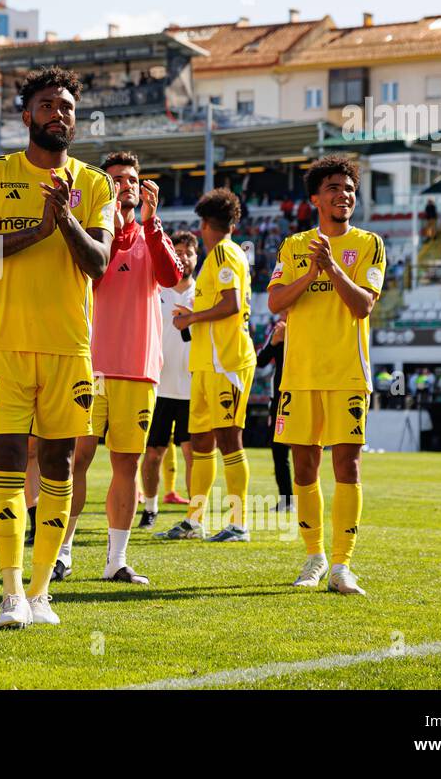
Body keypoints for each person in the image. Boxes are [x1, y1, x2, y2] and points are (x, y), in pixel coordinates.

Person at [0, 65, 114, 628]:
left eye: (67, 106)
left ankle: (42, 591)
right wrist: (41, 230)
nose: (59, 114)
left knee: (57, 462)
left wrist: (66, 221)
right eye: (48, 105)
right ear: (27, 115)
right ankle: (9, 593)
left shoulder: (95, 184)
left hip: (70, 348)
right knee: (4, 460)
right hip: (2, 344)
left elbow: (97, 263)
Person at [53, 151, 181, 584]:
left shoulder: (151, 233)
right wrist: (117, 222)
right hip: (91, 364)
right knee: (77, 459)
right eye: (115, 180)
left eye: (131, 178)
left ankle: (116, 561)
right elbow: (97, 270)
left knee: (126, 465)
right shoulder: (95, 235)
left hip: (139, 368)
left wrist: (149, 222)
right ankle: (62, 553)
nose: (125, 185)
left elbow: (171, 276)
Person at [268, 154, 384, 596]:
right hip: (299, 373)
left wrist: (332, 269)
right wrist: (312, 272)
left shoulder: (369, 243)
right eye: (335, 188)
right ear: (316, 198)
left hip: (348, 373)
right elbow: (277, 301)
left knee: (347, 464)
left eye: (350, 188)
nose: (344, 194)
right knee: (304, 465)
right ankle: (314, 556)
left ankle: (342, 565)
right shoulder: (294, 245)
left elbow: (363, 306)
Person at [162, 188, 256, 543]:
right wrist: (194, 317)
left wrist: (192, 318)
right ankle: (194, 520)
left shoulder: (226, 254)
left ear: (204, 224)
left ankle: (239, 523)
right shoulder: (219, 256)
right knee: (200, 441)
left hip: (227, 362)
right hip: (206, 363)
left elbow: (231, 305)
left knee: (230, 440)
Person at [140, 230, 198, 525]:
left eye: (189, 253)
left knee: (192, 455)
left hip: (191, 388)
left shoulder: (203, 294)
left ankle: (193, 516)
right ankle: (150, 508)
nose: (184, 258)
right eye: (179, 253)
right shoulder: (157, 289)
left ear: (196, 257)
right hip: (159, 387)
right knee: (152, 454)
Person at [256, 315, 292, 510]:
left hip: (304, 394)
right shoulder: (279, 329)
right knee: (279, 451)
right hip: (280, 399)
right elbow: (261, 361)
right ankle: (287, 500)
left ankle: (306, 498)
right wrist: (275, 341)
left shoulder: (309, 328)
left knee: (308, 451)